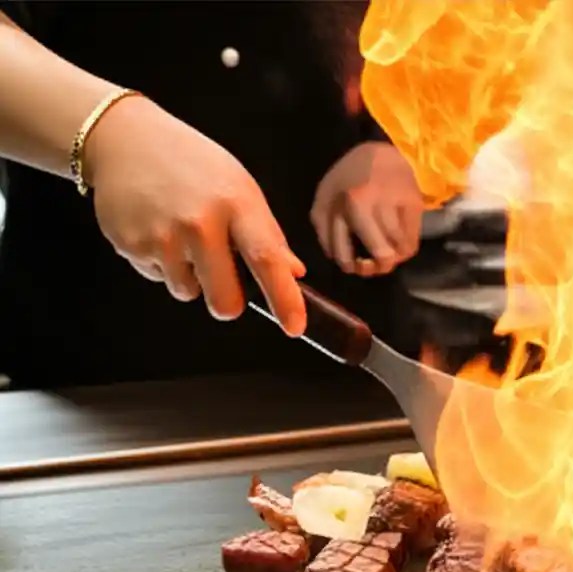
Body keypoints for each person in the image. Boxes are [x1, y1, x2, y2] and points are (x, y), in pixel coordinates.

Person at [0, 2, 424, 389]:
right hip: (101, 373)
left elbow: (439, 39)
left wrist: (396, 142)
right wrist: (109, 130)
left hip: (351, 380)